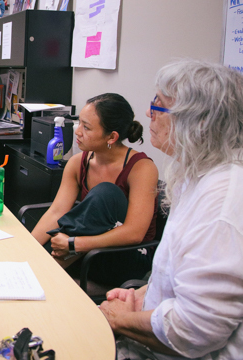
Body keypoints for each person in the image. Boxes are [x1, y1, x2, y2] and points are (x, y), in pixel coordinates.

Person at [100, 60, 243, 359]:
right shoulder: (197, 176)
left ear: (198, 122)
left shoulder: (222, 204)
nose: (149, 114)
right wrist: (140, 295)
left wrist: (118, 319)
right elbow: (180, 279)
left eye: (158, 106)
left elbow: (193, 330)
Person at [30, 93, 159, 287]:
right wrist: (28, 249)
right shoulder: (77, 163)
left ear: (112, 137)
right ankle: (35, 267)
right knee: (38, 249)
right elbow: (56, 212)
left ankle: (44, 270)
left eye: (87, 127)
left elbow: (134, 233)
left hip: (125, 256)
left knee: (106, 192)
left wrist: (74, 243)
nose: (78, 132)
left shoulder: (142, 168)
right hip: (82, 252)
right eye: (79, 123)